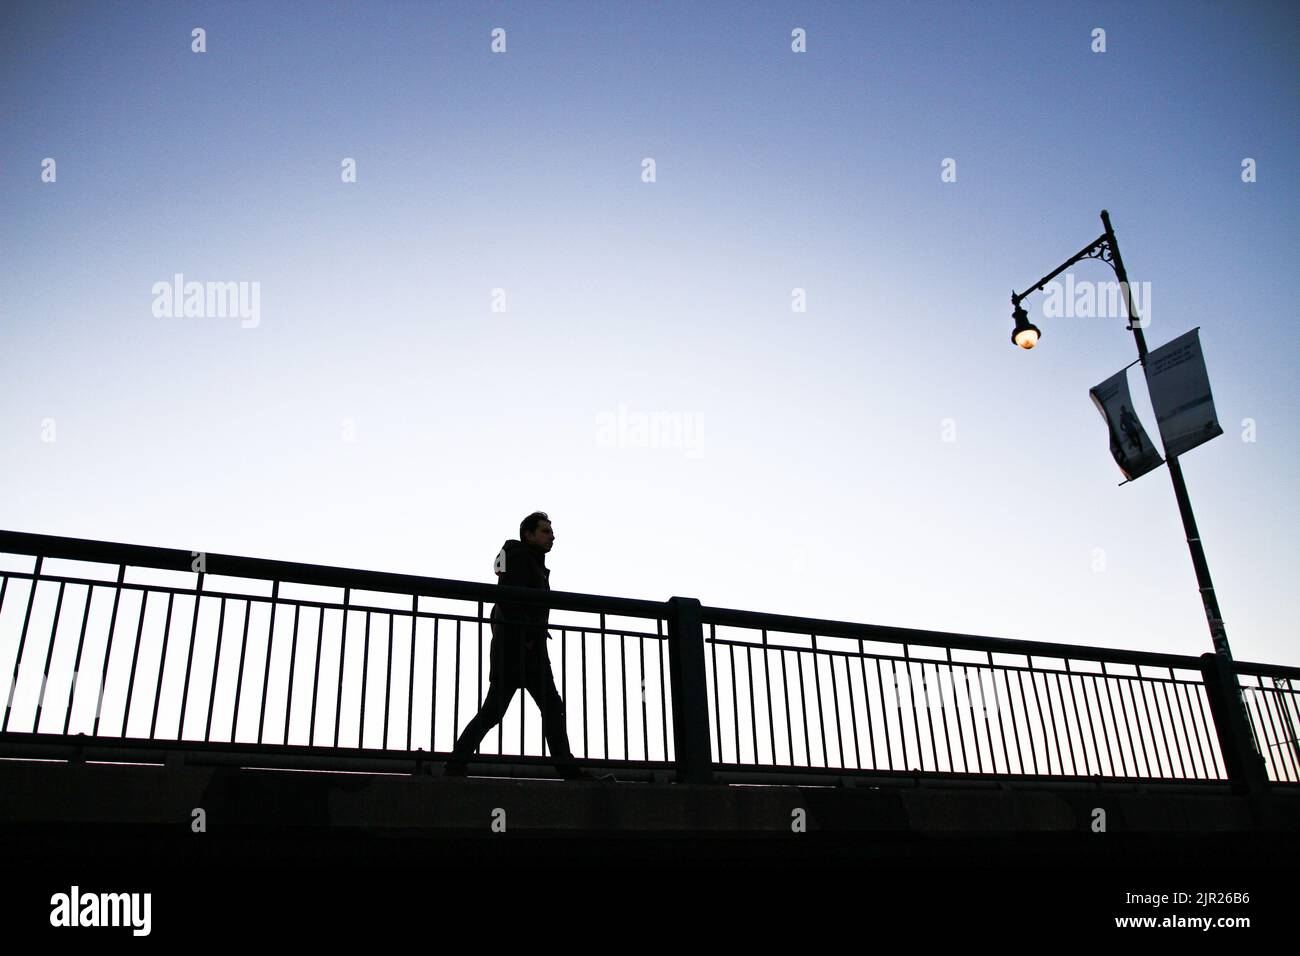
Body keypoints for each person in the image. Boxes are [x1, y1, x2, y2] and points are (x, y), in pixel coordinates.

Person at [443, 512, 594, 780]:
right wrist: (528, 639)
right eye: (546, 531)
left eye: (551, 531)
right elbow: (510, 602)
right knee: (538, 708)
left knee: (503, 710)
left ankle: (456, 762)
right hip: (522, 650)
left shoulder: (526, 560)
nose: (552, 536)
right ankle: (567, 770)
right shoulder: (522, 559)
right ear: (529, 535)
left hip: (520, 649)